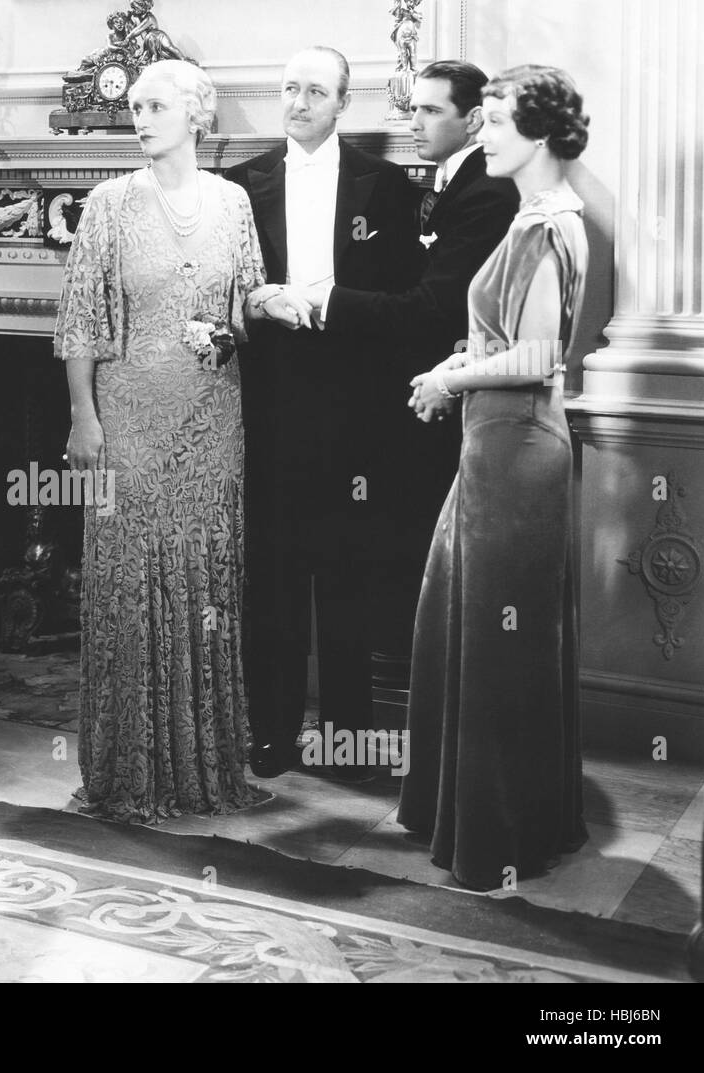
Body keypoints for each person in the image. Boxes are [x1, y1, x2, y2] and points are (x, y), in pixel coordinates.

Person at [56, 59, 280, 823]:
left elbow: (242, 308)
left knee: (205, 577)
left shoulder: (234, 202)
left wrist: (251, 313)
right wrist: (84, 417)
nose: (140, 119)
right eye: (136, 107)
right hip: (127, 415)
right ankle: (130, 770)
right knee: (130, 577)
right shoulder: (108, 205)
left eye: (156, 106)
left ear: (196, 113)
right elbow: (81, 320)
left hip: (212, 412)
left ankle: (202, 766)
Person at [397, 65, 591, 891]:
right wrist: (459, 362)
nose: (486, 133)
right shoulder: (534, 219)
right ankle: (492, 821)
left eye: (501, 121)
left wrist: (449, 381)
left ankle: (501, 838)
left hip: (517, 452)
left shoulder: (549, 226)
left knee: (499, 649)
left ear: (540, 135)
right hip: (499, 444)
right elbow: (510, 340)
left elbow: (542, 355)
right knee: (470, 633)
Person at [225, 47, 419, 780]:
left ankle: (350, 740)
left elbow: (407, 305)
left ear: (343, 103)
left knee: (348, 574)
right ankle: (272, 732)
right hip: (270, 395)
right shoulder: (242, 185)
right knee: (271, 576)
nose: (299, 102)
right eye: (289, 88)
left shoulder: (388, 186)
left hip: (355, 404)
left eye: (315, 91)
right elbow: (227, 291)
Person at [298, 60, 520, 686]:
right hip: (430, 393)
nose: (412, 121)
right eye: (412, 107)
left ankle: (439, 709)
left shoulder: (486, 192)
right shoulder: (449, 182)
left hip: (460, 403)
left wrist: (326, 300)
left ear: (473, 119)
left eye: (430, 111)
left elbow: (432, 308)